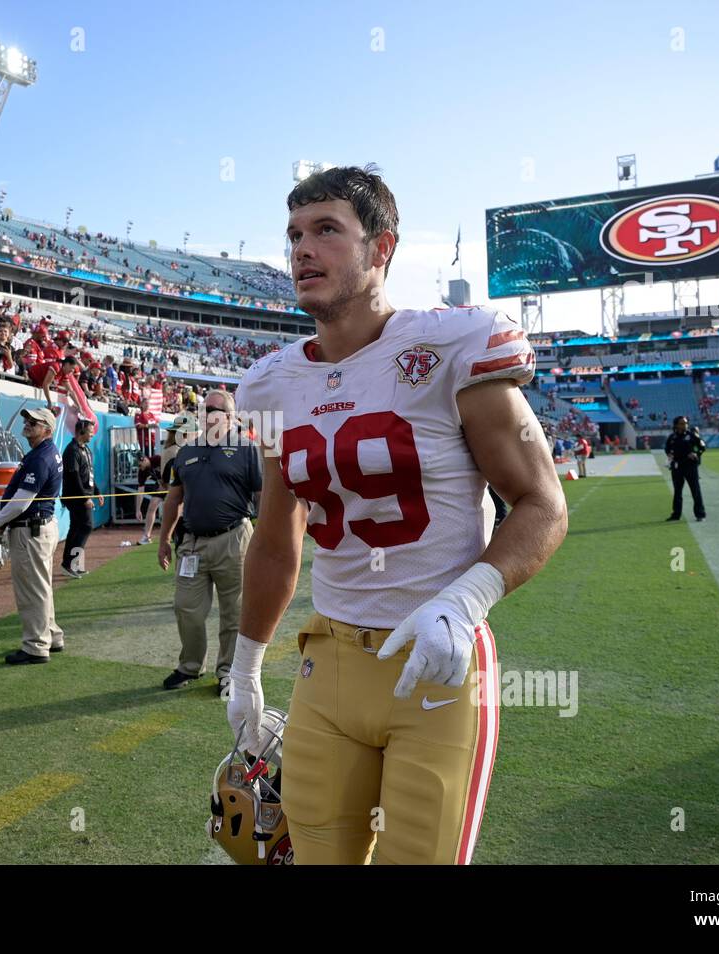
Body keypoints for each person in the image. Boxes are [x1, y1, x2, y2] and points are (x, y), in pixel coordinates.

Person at [230, 165, 566, 865]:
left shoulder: (450, 346)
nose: (302, 249)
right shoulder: (268, 384)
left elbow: (542, 503)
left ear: (381, 248)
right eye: (294, 234)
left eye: (327, 230)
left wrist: (465, 601)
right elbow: (275, 535)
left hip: (435, 669)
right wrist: (246, 665)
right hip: (328, 667)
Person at [158, 389, 261, 694]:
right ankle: (190, 665)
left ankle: (228, 671)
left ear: (230, 417)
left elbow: (261, 495)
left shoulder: (246, 449)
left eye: (214, 409)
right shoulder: (186, 451)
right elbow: (174, 498)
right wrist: (164, 538)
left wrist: (266, 533)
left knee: (235, 611)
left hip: (234, 538)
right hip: (193, 543)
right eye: (204, 409)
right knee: (185, 607)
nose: (207, 413)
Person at [0, 407, 66, 664]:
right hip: (40, 527)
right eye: (27, 419)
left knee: (32, 591)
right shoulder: (44, 452)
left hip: (31, 530)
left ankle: (36, 646)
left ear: (47, 430)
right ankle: (51, 635)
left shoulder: (40, 457)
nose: (28, 423)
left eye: (35, 422)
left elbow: (21, 503)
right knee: (41, 587)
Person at [61, 417, 103, 578]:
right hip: (75, 497)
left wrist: (97, 491)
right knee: (86, 526)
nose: (92, 435)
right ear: (81, 431)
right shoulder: (72, 450)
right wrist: (85, 498)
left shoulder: (86, 449)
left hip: (84, 494)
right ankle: (70, 563)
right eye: (90, 432)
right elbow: (74, 476)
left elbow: (89, 474)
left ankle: (72, 563)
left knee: (77, 527)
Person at [665, 415, 706, 522]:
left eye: (686, 423)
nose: (685, 425)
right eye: (682, 423)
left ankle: (700, 514)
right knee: (677, 492)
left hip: (690, 466)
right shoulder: (672, 437)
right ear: (676, 425)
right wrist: (669, 454)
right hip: (677, 467)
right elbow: (667, 448)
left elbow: (702, 446)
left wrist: (696, 453)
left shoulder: (692, 435)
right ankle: (676, 515)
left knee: (695, 490)